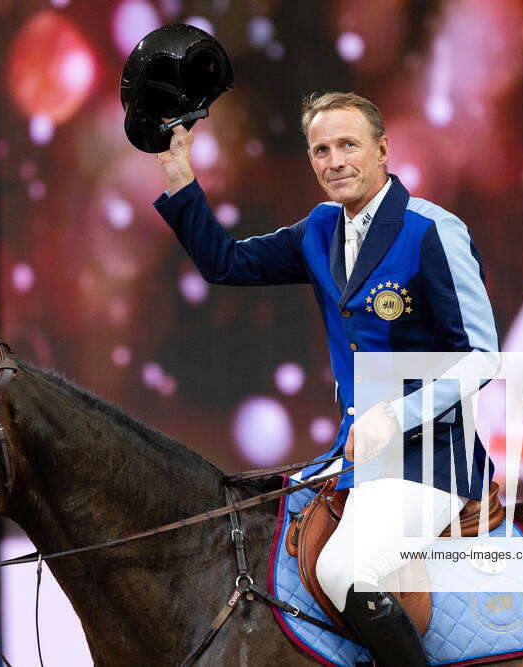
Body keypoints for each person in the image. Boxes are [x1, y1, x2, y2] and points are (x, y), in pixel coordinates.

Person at [153, 92, 499, 665]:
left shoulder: (434, 230)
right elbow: (225, 263)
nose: (333, 160)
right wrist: (178, 171)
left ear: (383, 149)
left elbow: (482, 356)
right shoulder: (320, 229)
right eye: (320, 149)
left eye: (347, 145)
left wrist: (396, 414)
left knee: (347, 571)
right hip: (356, 454)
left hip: (434, 457)